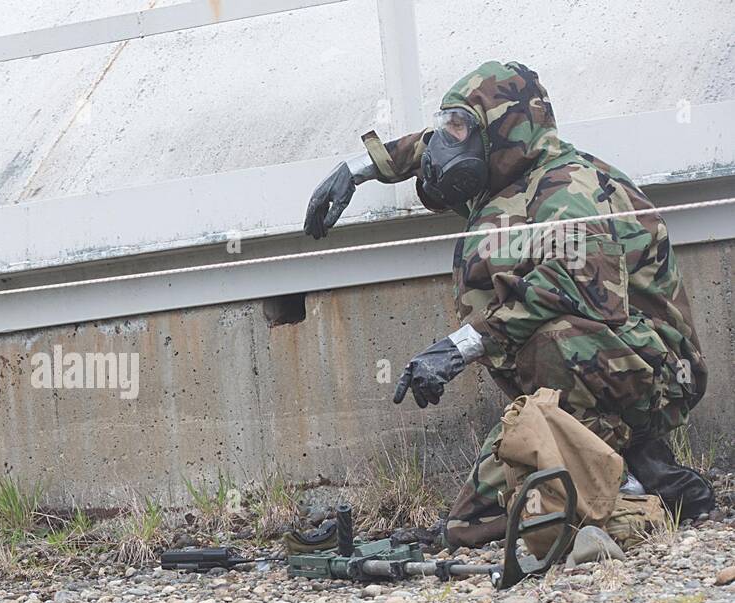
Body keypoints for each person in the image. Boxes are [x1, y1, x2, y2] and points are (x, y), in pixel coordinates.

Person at [304, 61, 713, 548]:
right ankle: (644, 469)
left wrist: (461, 346)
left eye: (460, 127)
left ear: (504, 130)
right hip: (616, 356)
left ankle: (600, 487)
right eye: (448, 126)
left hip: (659, 370)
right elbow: (434, 144)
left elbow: (572, 286)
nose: (447, 143)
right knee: (549, 344)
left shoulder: (567, 189)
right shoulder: (508, 176)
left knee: (554, 342)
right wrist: (360, 168)